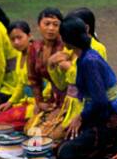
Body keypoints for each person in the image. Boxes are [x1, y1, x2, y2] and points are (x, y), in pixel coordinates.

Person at [55, 16, 117, 159]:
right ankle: (106, 147)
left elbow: (100, 101)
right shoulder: (84, 57)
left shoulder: (89, 61)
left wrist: (81, 117)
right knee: (61, 142)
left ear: (67, 40)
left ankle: (110, 148)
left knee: (64, 154)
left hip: (113, 117)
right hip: (101, 114)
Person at [46, 11, 108, 145]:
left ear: (86, 28)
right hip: (69, 106)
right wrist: (51, 66)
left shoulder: (97, 49)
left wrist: (68, 67)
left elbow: (92, 82)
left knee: (58, 144)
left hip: (86, 106)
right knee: (45, 136)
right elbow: (62, 85)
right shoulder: (70, 48)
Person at [25, 8, 65, 139]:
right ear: (39, 26)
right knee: (30, 130)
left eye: (55, 24)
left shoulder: (66, 46)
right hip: (52, 99)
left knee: (50, 135)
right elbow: (33, 79)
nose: (51, 28)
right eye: (47, 24)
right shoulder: (34, 48)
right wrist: (39, 101)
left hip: (70, 99)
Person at [0, 21, 36, 127]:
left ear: (29, 36)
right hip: (26, 101)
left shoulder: (36, 53)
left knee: (2, 121)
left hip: (37, 102)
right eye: (12, 39)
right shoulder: (20, 55)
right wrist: (10, 102)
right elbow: (21, 84)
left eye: (19, 37)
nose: (16, 42)